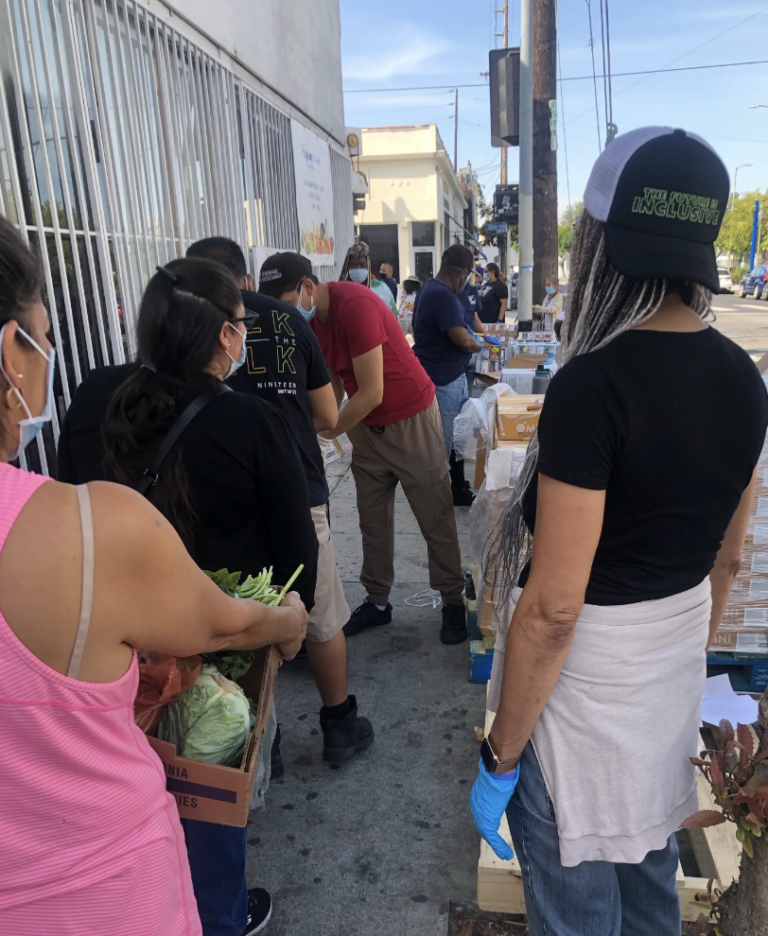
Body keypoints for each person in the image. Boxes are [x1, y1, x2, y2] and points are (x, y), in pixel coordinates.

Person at [471, 127, 768, 936]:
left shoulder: (592, 386)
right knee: (647, 893)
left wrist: (499, 757)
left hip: (581, 701)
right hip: (666, 680)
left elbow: (555, 608)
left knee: (576, 912)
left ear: (601, 246)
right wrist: (674, 662)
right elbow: (730, 557)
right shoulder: (745, 379)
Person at [0, 218, 307, 936]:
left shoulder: (97, 410)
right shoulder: (88, 530)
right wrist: (287, 621)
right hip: (104, 895)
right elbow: (227, 618)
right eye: (43, 337)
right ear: (14, 351)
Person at [185, 237, 374, 764]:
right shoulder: (290, 321)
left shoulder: (178, 333)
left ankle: (257, 738)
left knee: (231, 610)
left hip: (212, 497)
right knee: (319, 609)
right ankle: (339, 724)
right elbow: (326, 415)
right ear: (243, 281)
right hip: (296, 486)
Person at [258, 252, 468, 646]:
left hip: (409, 418)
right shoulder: (312, 324)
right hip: (367, 429)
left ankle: (452, 598)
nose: (281, 314)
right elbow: (333, 384)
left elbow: (372, 391)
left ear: (306, 288)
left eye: (284, 303)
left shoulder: (355, 305)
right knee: (371, 520)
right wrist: (316, 423)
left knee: (435, 517)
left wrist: (325, 430)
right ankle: (378, 600)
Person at [412, 244, 483, 508]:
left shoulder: (429, 289)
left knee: (455, 441)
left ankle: (457, 489)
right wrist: (481, 345)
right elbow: (462, 340)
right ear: (460, 274)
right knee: (446, 444)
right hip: (444, 381)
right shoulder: (442, 296)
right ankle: (439, 497)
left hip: (443, 376)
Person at [340, 242, 398, 317]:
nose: (358, 269)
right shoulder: (341, 290)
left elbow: (393, 319)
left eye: (362, 265)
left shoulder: (381, 288)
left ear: (368, 266)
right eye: (353, 265)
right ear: (347, 267)